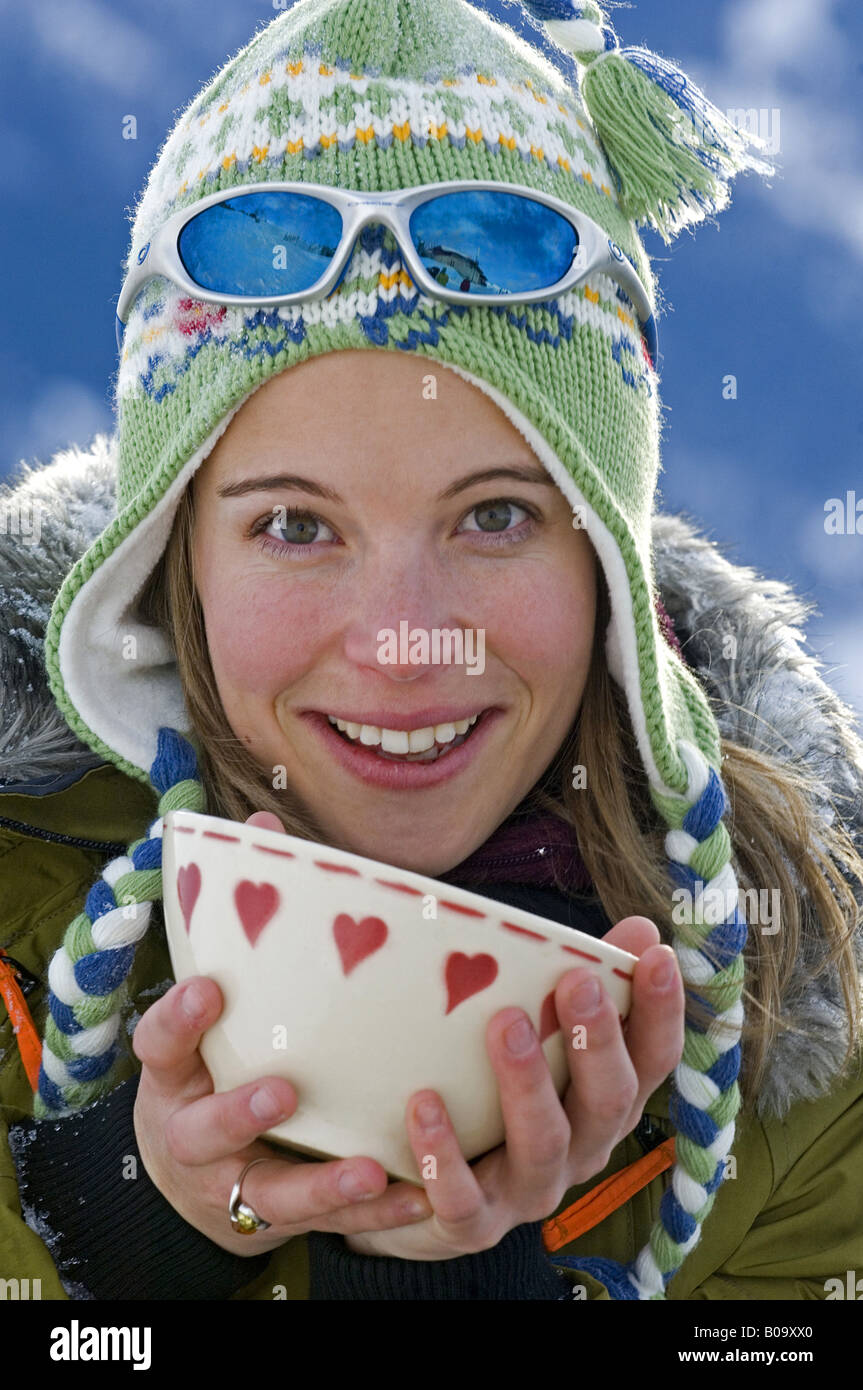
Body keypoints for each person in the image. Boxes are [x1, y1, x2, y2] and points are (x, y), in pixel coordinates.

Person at [2, 0, 862, 1302]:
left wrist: (459, 1284)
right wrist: (124, 1218)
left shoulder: (803, 1042)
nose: (403, 640)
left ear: (608, 570)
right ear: (174, 559)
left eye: (497, 515)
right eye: (296, 524)